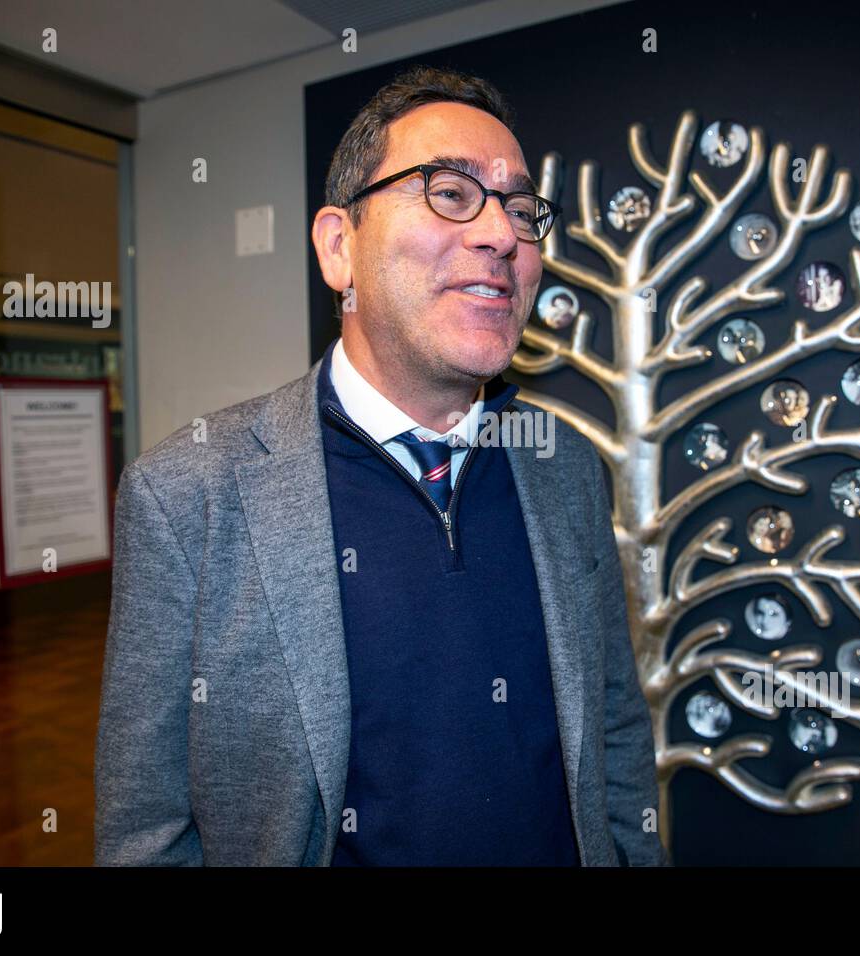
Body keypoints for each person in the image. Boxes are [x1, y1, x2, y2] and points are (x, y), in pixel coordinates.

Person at [94, 65, 668, 867]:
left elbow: (613, 734)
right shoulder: (188, 494)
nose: (503, 235)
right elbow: (146, 832)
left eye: (521, 208)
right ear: (340, 247)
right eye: (450, 191)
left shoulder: (564, 466)